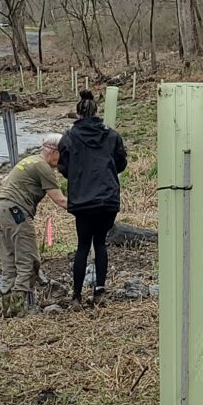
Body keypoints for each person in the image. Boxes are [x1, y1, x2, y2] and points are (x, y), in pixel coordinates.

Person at [58, 89, 128, 306]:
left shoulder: (69, 137)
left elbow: (63, 167)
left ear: (78, 114)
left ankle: (77, 296)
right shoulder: (112, 135)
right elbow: (121, 164)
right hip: (107, 198)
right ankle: (99, 292)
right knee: (100, 243)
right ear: (97, 111)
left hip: (83, 199)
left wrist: (79, 175)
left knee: (82, 245)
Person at [0, 134, 68, 316]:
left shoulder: (29, 160)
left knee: (9, 260)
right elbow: (60, 200)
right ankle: (18, 309)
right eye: (63, 154)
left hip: (0, 208)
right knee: (29, 259)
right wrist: (87, 207)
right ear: (53, 151)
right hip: (16, 212)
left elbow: (5, 182)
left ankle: (7, 308)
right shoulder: (43, 167)